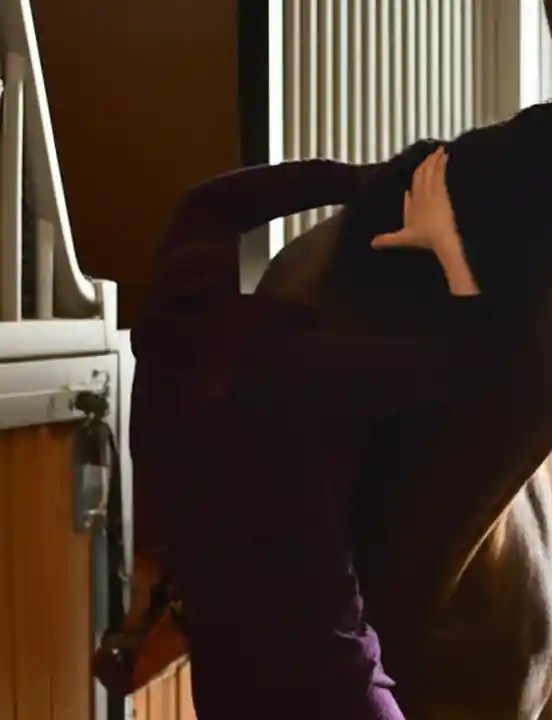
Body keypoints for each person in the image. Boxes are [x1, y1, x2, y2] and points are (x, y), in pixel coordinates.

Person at [123, 147, 480, 719]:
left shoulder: (173, 330)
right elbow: (467, 363)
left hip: (225, 688)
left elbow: (208, 205)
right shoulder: (300, 370)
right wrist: (438, 236)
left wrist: (363, 183)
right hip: (333, 689)